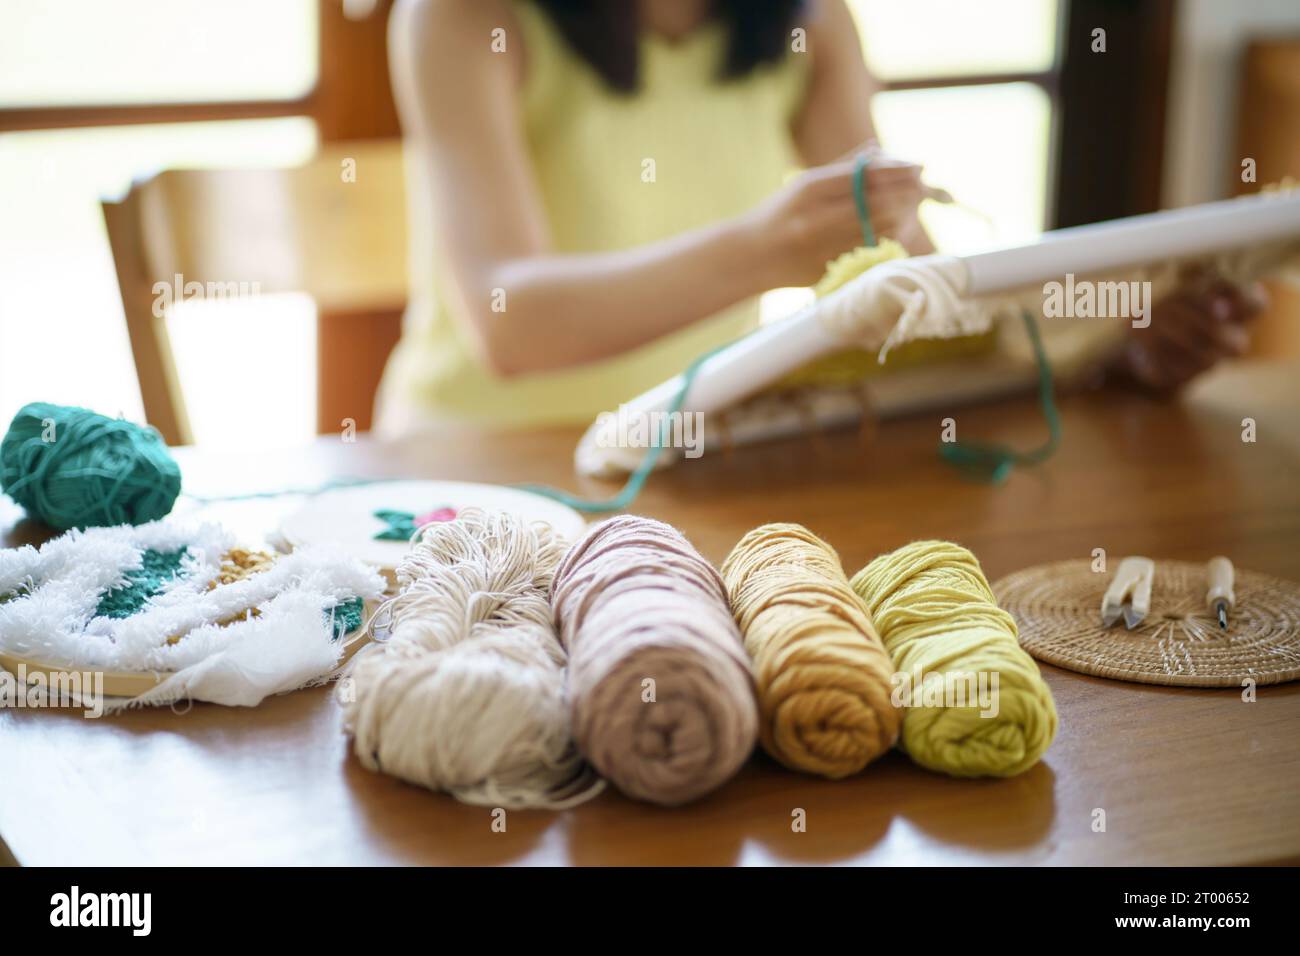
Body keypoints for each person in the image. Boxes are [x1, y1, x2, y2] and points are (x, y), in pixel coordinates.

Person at [376, 0, 1259, 436]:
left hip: (688, 452)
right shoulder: (462, 18)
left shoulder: (808, 23)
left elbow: (924, 294)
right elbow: (510, 323)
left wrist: (1113, 340)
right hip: (474, 465)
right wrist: (764, 252)